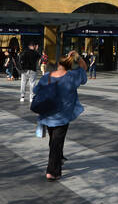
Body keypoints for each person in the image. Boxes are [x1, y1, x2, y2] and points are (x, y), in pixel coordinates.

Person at [32, 51, 88, 181]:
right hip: (62, 115)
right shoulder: (72, 77)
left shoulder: (47, 76)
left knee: (54, 140)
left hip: (48, 114)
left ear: (58, 64)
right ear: (70, 66)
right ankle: (52, 171)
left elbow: (36, 90)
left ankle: (59, 158)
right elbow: (84, 68)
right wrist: (77, 57)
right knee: (57, 142)